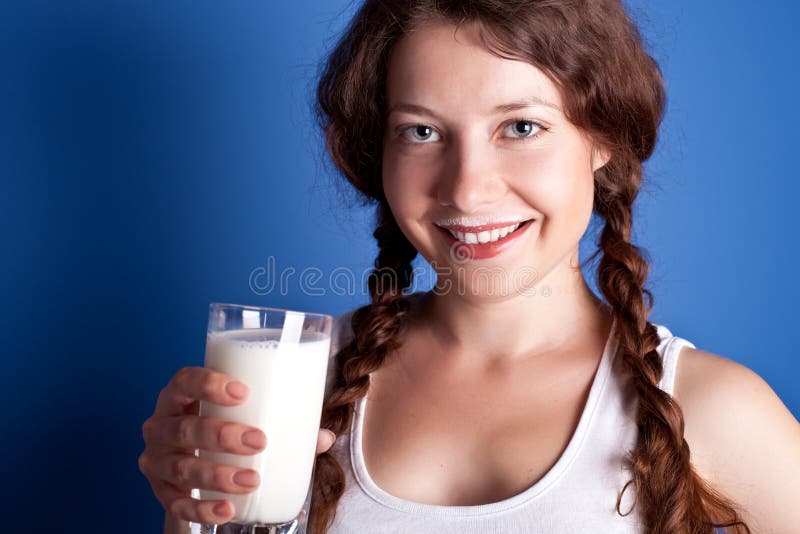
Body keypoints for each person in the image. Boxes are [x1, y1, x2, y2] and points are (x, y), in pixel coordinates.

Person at [139, 1, 800, 533]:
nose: (467, 188)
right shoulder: (294, 386)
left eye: (519, 127)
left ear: (600, 137)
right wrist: (192, 512)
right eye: (421, 132)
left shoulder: (712, 409)